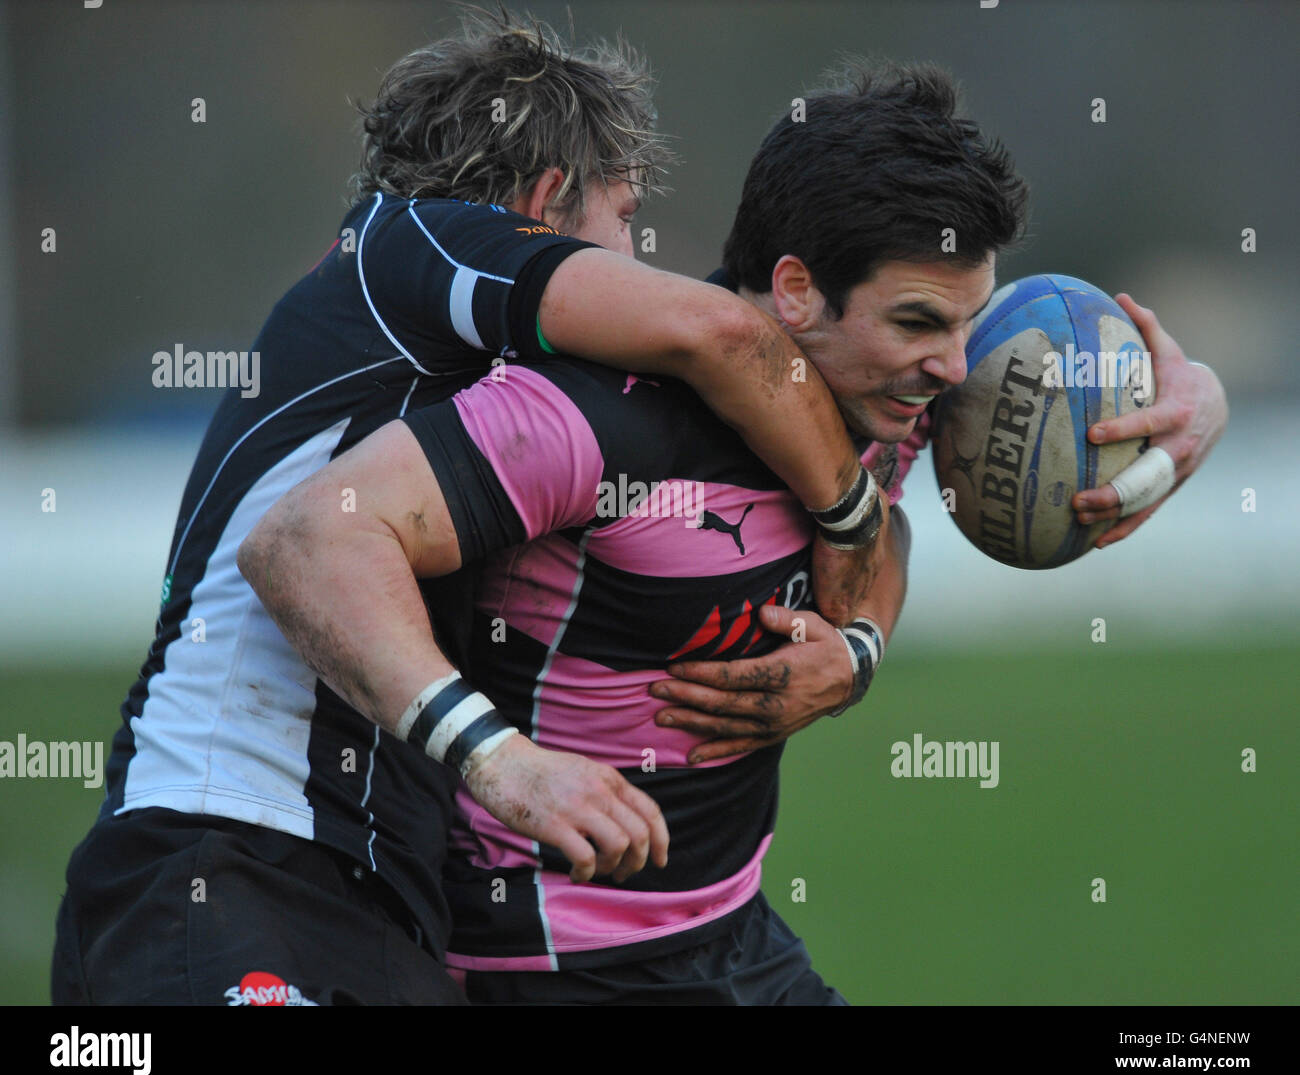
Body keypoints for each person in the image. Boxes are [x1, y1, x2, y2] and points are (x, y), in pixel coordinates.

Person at [241, 59, 1226, 1004]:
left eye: (966, 326)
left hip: (730, 936)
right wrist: (496, 759)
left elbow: (888, 540)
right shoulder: (593, 418)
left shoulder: (888, 387)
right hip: (547, 958)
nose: (955, 368)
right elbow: (311, 542)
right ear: (796, 291)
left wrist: (859, 652)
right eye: (920, 322)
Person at [49, 12, 893, 1008]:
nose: (634, 251)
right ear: (542, 204)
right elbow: (716, 333)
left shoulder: (443, 357)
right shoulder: (410, 243)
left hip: (378, 893)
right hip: (223, 849)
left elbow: (894, 375)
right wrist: (852, 521)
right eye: (624, 218)